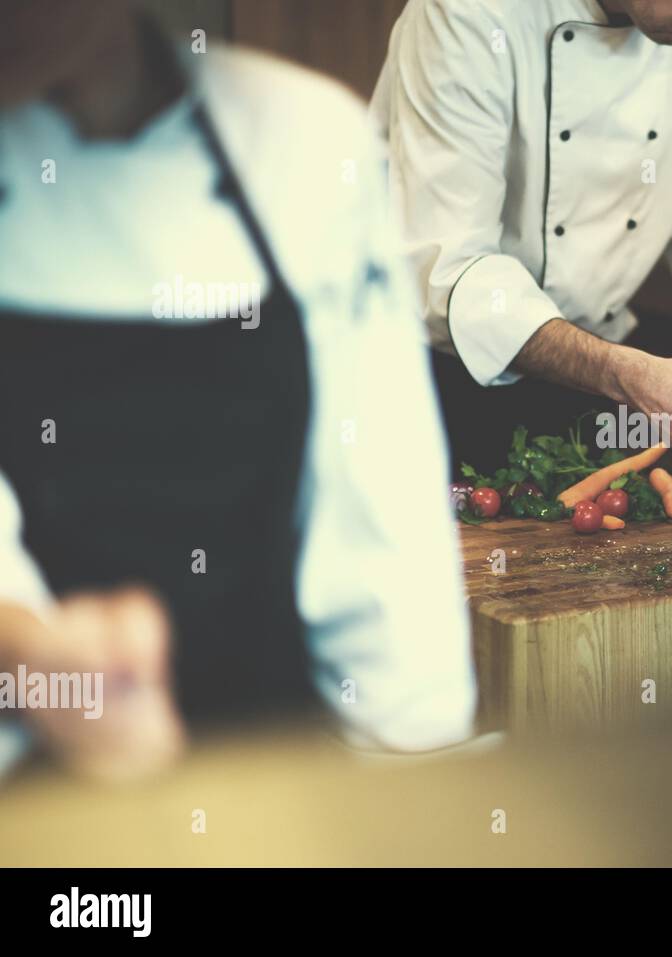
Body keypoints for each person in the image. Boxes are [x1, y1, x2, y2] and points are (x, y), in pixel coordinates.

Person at [0, 0, 477, 778]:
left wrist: (410, 799)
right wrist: (32, 657)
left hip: (280, 794)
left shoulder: (304, 142)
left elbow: (386, 558)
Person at [371, 0, 672, 466]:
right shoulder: (470, 15)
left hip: (586, 385)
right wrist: (623, 372)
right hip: (429, 379)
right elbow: (449, 265)